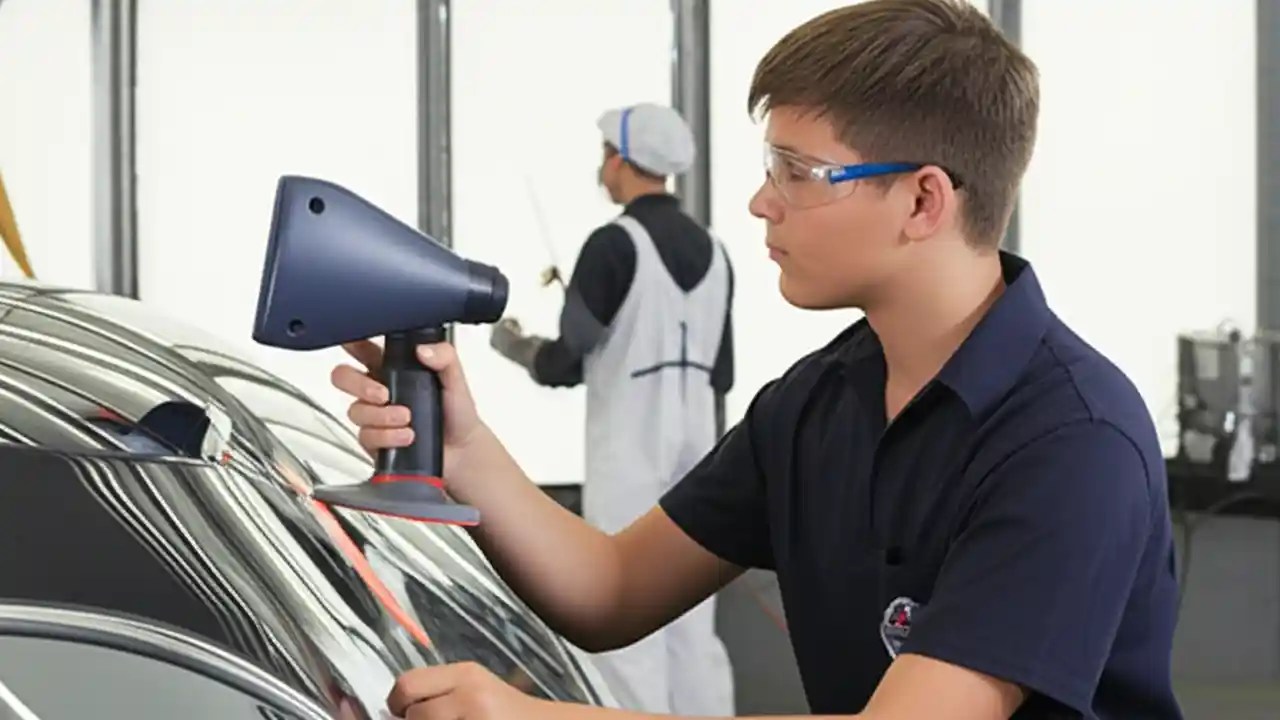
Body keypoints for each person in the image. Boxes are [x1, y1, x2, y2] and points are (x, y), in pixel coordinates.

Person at [331, 1, 1184, 717]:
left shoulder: (1073, 442)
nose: (760, 202)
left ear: (923, 198)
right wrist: (464, 449)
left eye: (798, 171)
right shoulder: (819, 402)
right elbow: (609, 588)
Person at [485, 102, 737, 716]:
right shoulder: (716, 251)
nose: (602, 168)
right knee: (692, 627)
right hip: (701, 456)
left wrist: (510, 341)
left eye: (605, 154)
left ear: (623, 161)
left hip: (629, 454)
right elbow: (722, 373)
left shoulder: (612, 245)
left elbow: (565, 360)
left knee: (622, 617)